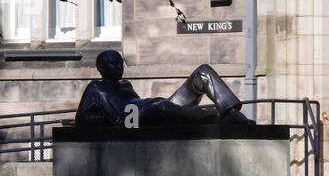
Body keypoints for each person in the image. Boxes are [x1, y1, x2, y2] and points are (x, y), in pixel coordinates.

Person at [75, 50, 252, 129]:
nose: (119, 67)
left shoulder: (124, 85)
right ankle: (217, 116)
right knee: (161, 108)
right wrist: (113, 120)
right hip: (135, 117)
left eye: (120, 63)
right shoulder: (96, 87)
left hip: (154, 109)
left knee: (202, 73)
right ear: (101, 67)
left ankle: (231, 111)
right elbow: (83, 119)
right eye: (113, 64)